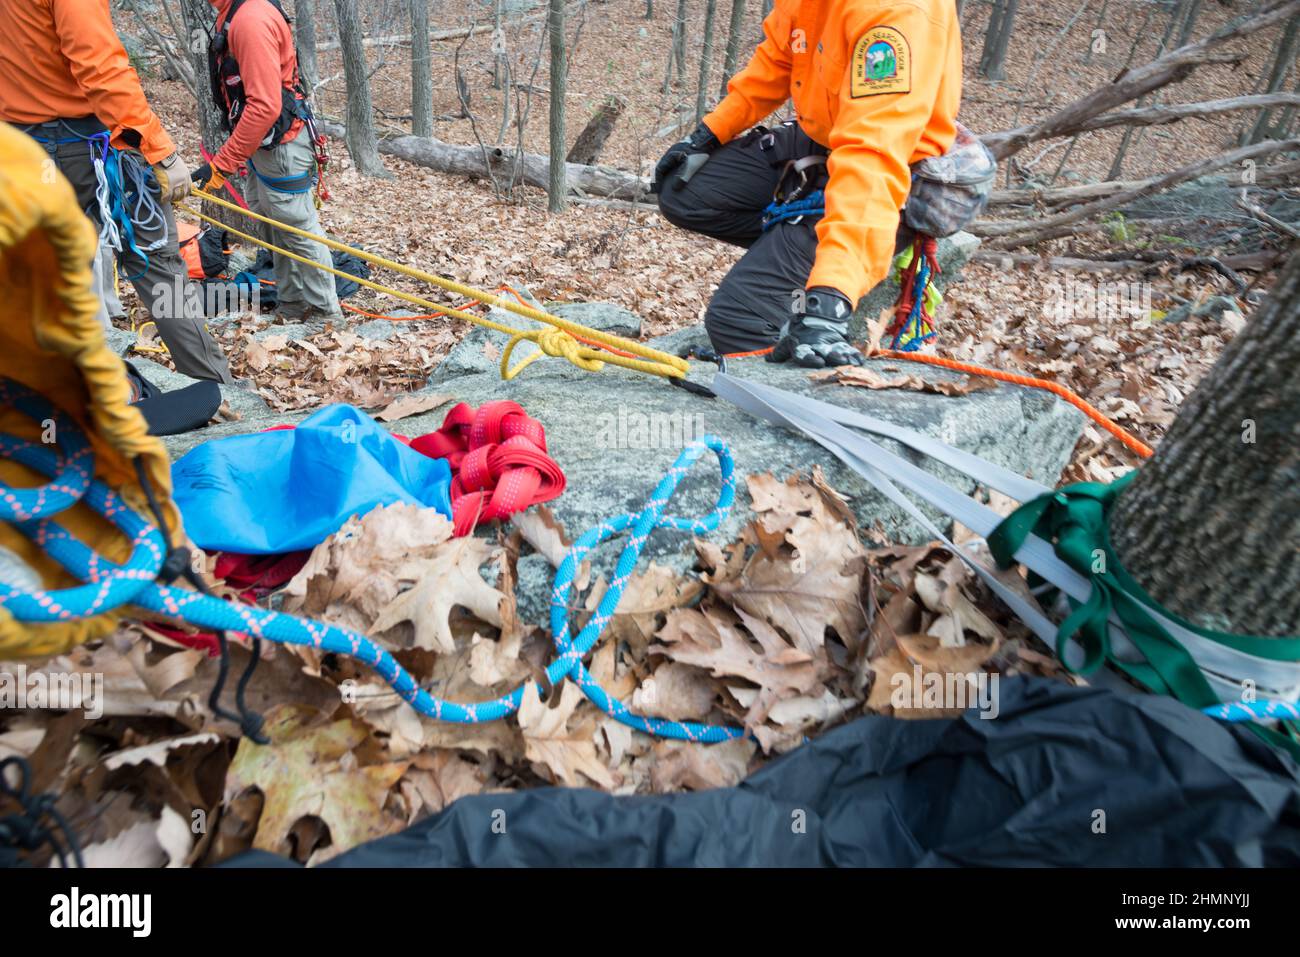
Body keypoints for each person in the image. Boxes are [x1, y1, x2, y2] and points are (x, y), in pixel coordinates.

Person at [653, 0, 962, 368]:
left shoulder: (894, 11)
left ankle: (800, 310)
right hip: (821, 141)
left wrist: (830, 294)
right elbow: (778, 61)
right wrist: (711, 132)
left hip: (887, 170)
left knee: (739, 318)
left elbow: (873, 156)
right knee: (684, 192)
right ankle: (796, 254)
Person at [0, 0, 234, 383]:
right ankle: (216, 388)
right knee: (160, 269)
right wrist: (161, 152)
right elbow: (99, 65)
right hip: (88, 148)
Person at [193, 0, 341, 324]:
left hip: (282, 146)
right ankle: (292, 303)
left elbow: (264, 106)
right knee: (274, 228)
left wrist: (223, 164)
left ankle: (325, 317)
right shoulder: (232, 13)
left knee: (298, 230)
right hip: (265, 146)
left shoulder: (249, 20)